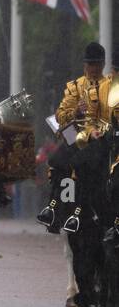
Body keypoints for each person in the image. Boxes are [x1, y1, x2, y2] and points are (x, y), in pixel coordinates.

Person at [40, 42, 113, 233]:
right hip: (75, 132)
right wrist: (75, 113)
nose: (94, 68)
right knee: (56, 160)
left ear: (103, 64)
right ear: (84, 65)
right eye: (90, 64)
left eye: (97, 64)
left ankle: (91, 211)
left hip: (100, 135)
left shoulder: (111, 87)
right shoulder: (75, 86)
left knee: (82, 162)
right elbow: (60, 115)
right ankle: (54, 209)